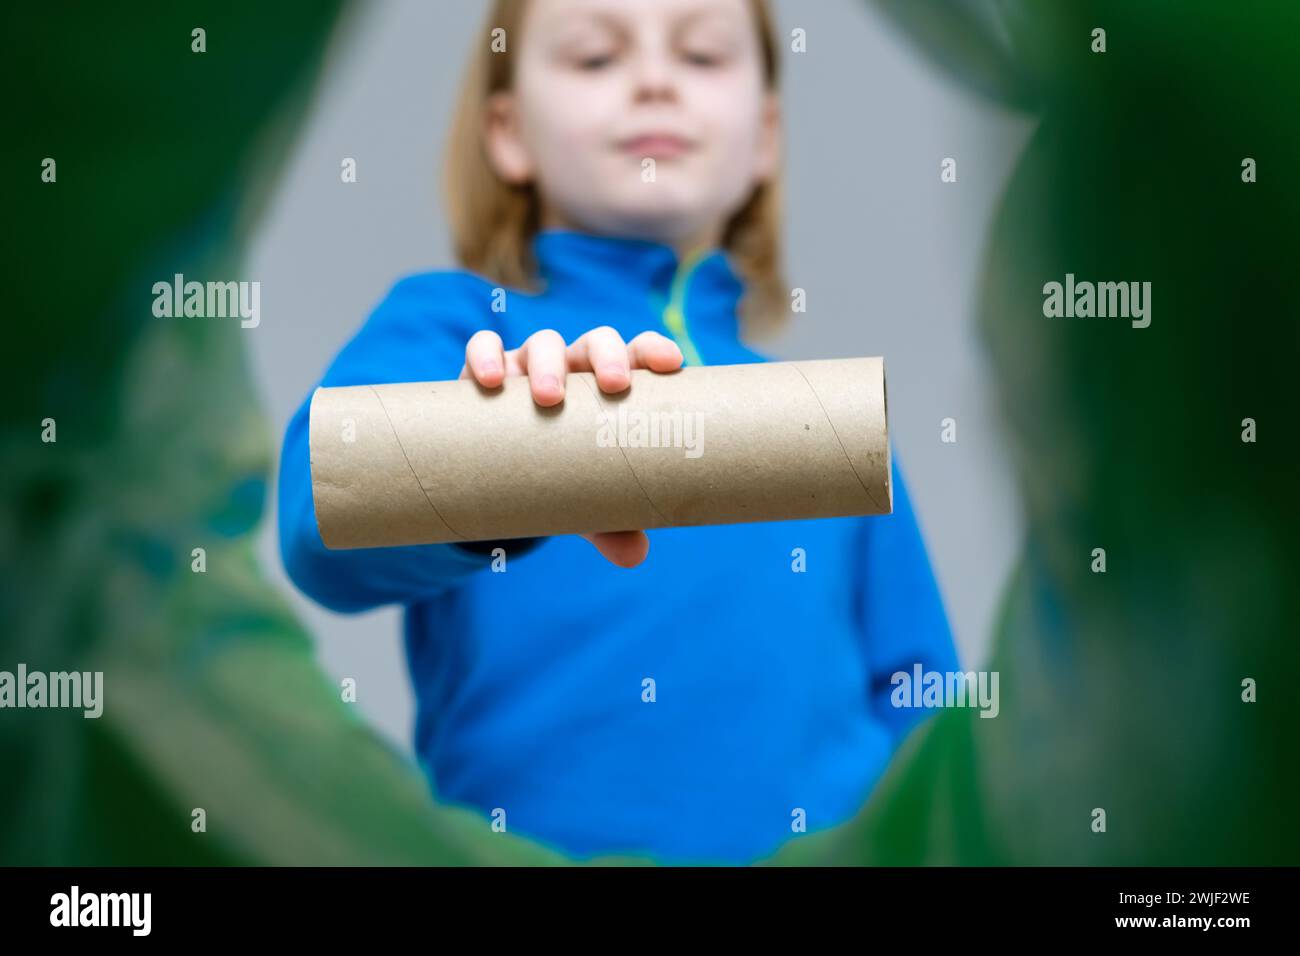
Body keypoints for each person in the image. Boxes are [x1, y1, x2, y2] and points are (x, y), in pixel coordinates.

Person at [278, 0, 956, 864]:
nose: (654, 79)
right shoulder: (454, 336)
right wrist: (502, 446)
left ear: (765, 139)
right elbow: (318, 514)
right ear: (510, 132)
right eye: (597, 57)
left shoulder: (821, 428)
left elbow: (921, 695)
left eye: (703, 56)